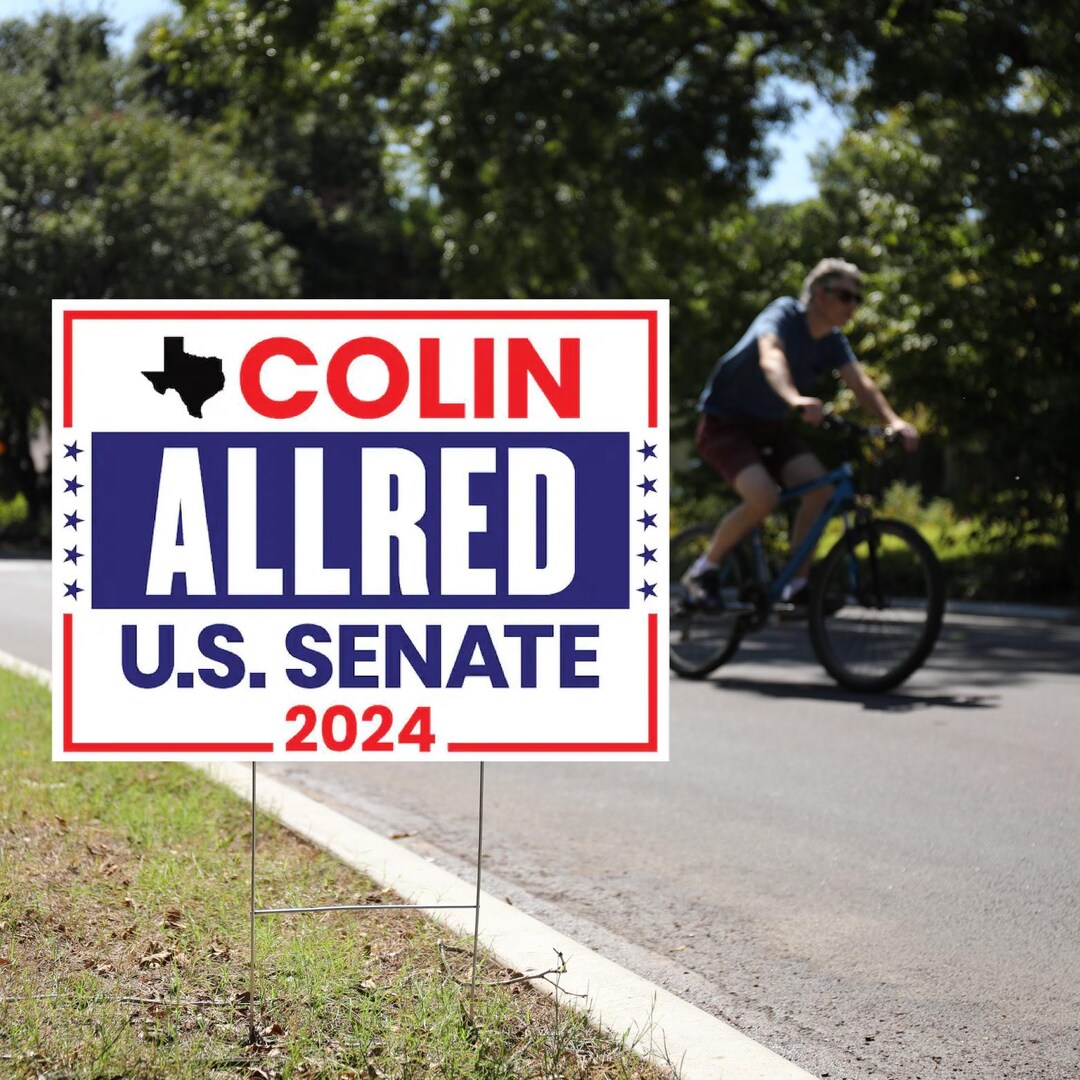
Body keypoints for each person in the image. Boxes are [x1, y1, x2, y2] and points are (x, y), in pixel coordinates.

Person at [683, 257, 918, 607]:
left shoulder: (833, 341)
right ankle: (703, 569)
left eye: (858, 298)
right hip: (725, 425)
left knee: (821, 489)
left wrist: (893, 421)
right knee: (764, 497)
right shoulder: (783, 315)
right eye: (845, 296)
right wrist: (794, 398)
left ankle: (797, 586)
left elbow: (861, 383)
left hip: (770, 428)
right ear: (818, 294)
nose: (853, 305)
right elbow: (771, 357)